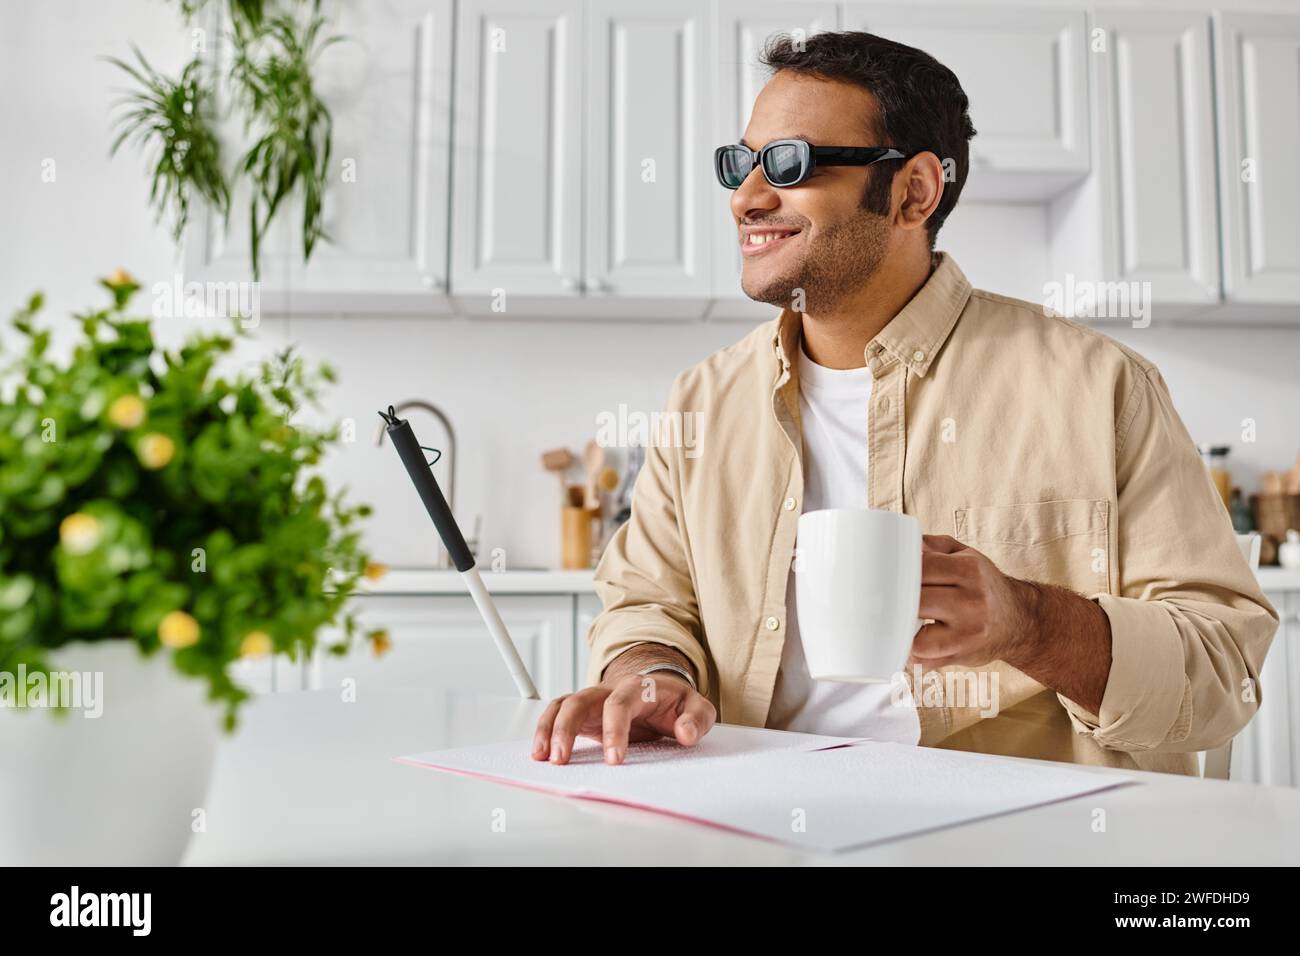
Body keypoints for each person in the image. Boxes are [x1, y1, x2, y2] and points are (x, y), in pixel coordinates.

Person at [532, 31, 1277, 775]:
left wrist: (1032, 622)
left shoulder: (1100, 386)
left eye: (788, 164)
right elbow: (648, 603)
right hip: (753, 826)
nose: (747, 197)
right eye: (741, 163)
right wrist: (648, 672)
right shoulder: (702, 400)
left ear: (913, 192)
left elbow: (1223, 673)